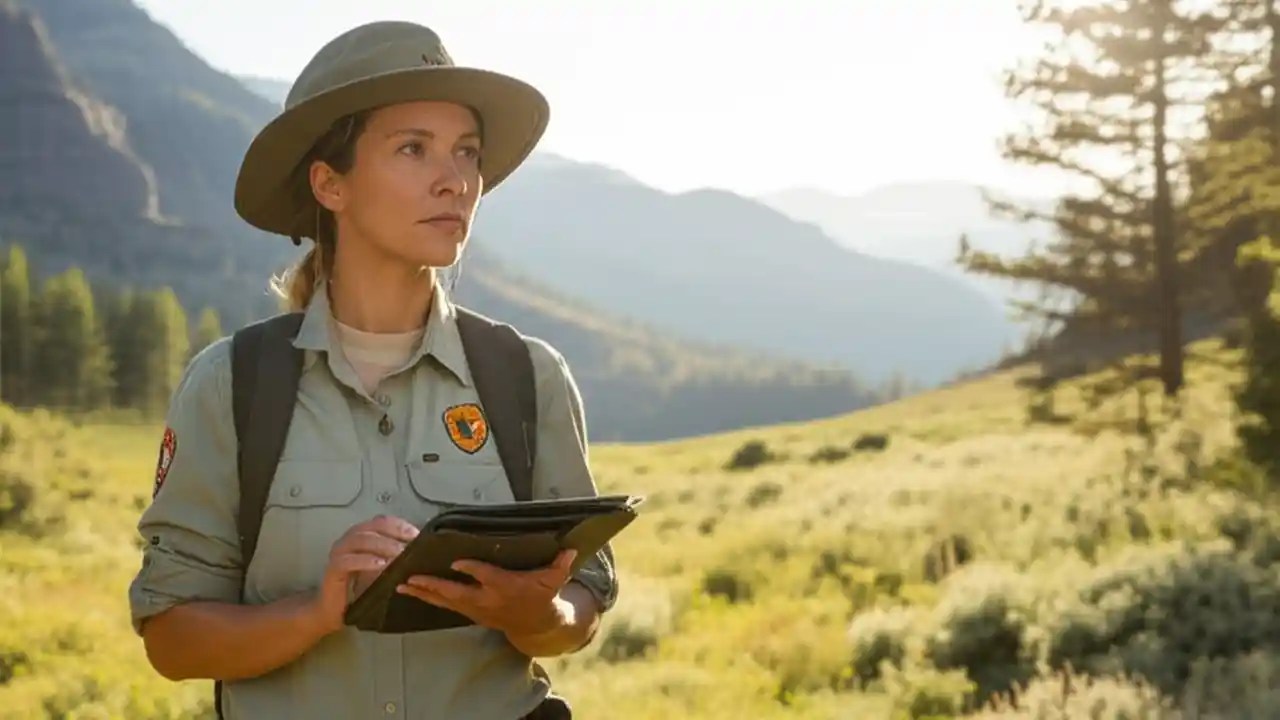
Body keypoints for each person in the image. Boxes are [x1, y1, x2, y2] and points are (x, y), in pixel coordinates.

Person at [126, 20, 617, 720]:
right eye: (414, 149)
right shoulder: (231, 386)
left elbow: (581, 606)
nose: (455, 181)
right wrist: (319, 612)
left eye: (467, 153)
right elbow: (173, 641)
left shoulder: (528, 378)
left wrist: (534, 613)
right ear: (330, 183)